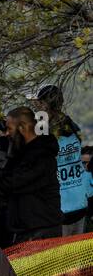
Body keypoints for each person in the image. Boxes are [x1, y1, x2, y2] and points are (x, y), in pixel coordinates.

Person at [0, 106, 62, 244]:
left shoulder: (41, 157)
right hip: (26, 231)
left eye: (9, 129)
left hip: (41, 232)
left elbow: (12, 183)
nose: (6, 134)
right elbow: (6, 178)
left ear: (23, 128)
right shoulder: (22, 154)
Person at [33, 85, 86, 236]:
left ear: (44, 104)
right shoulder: (70, 124)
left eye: (39, 104)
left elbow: (36, 157)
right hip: (78, 198)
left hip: (58, 205)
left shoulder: (43, 125)